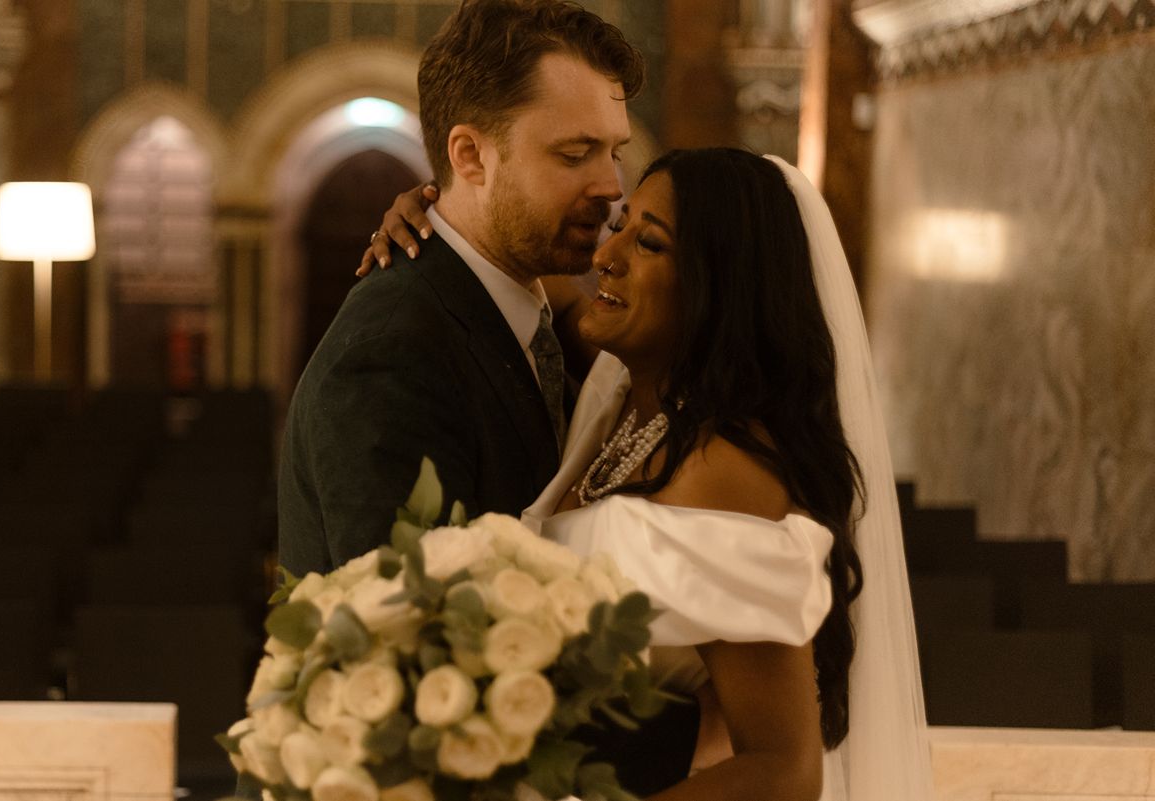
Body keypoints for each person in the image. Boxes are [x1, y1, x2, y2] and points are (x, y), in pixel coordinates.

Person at [365, 149, 934, 800]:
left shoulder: (725, 468)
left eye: (651, 242)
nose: (608, 255)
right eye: (622, 226)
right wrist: (434, 226)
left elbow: (782, 768)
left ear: (721, 288)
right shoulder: (618, 411)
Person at [278, 0, 641, 576]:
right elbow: (410, 626)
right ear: (469, 155)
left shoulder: (542, 321)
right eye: (575, 154)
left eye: (614, 152)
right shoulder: (391, 353)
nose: (610, 186)